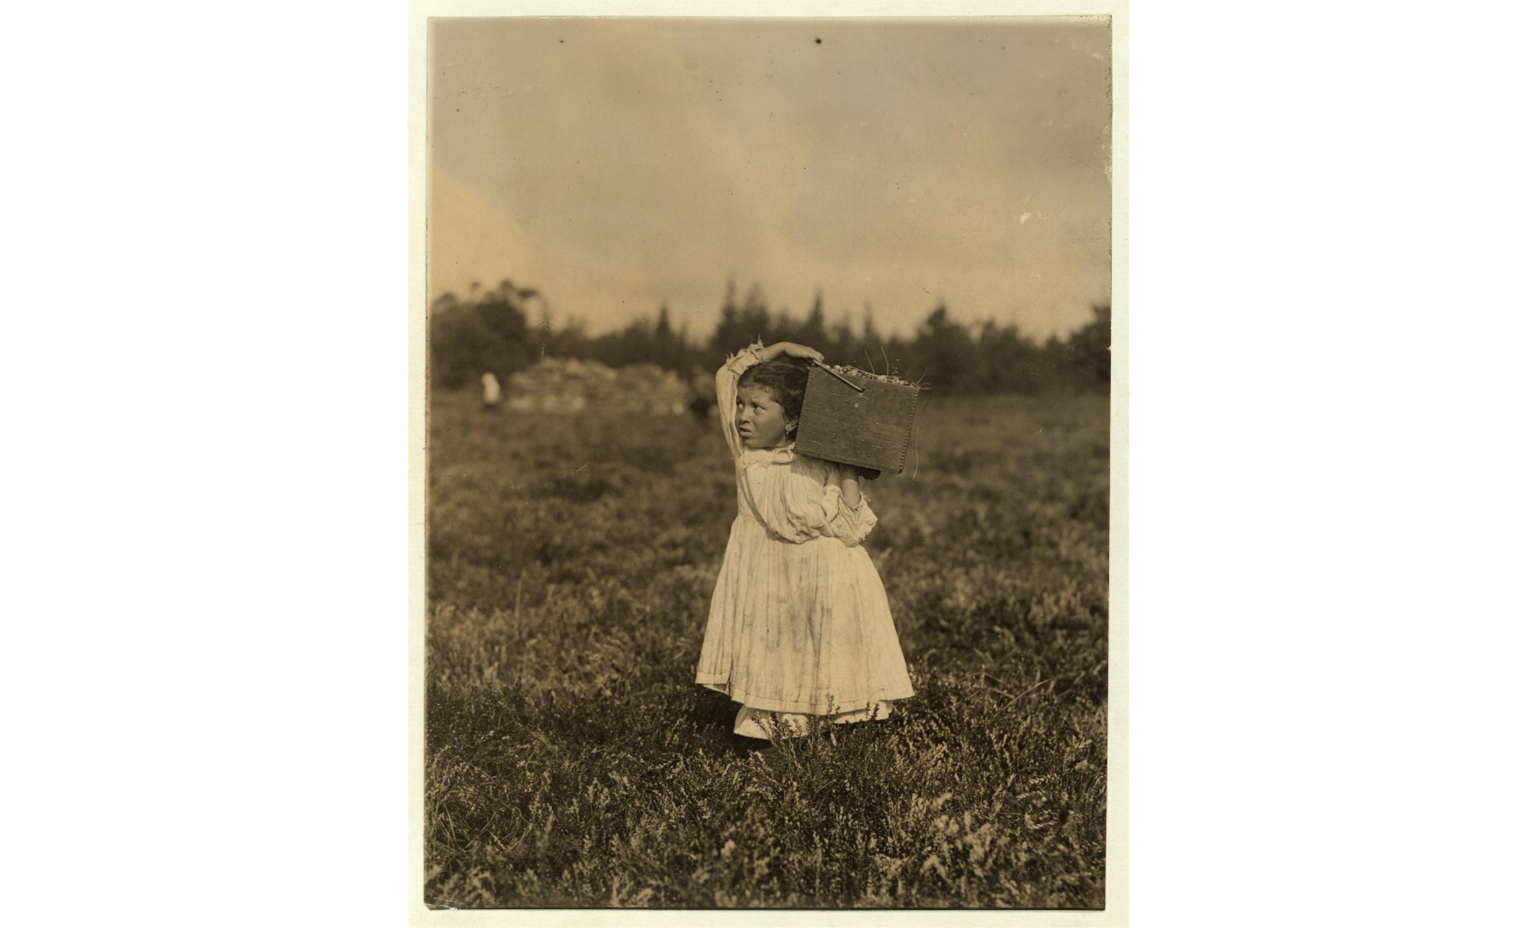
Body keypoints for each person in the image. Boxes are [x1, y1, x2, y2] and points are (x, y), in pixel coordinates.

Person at [696, 340, 915, 739]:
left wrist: (847, 466)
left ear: (792, 421)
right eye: (742, 405)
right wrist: (778, 349)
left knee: (826, 656)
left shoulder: (821, 461)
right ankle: (773, 743)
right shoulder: (746, 454)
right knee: (777, 657)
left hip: (828, 578)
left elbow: (851, 530)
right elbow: (726, 377)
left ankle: (835, 742)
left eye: (758, 408)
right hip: (768, 577)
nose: (743, 415)